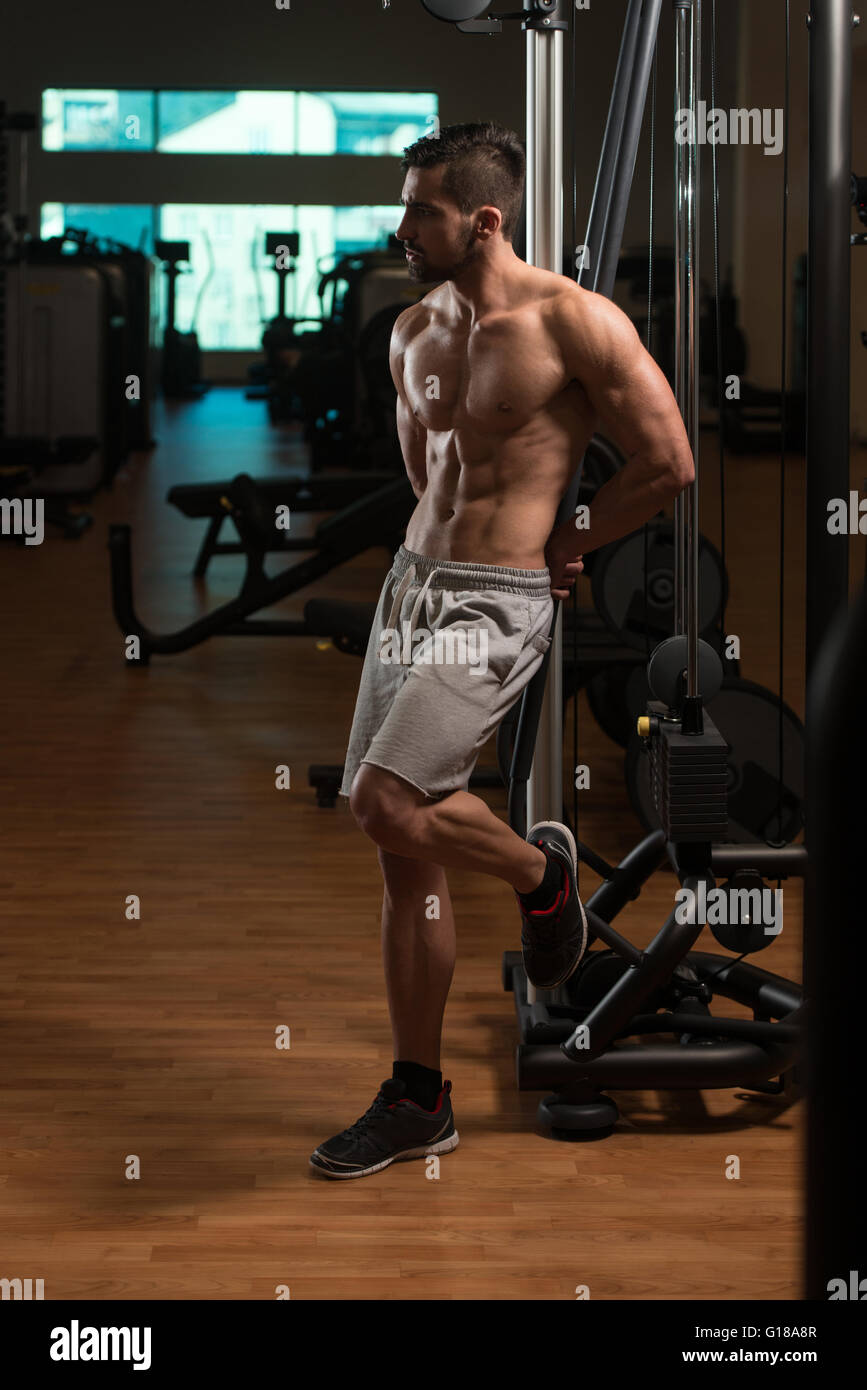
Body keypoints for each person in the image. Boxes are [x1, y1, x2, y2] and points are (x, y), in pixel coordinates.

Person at [309, 122, 694, 1179]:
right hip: (411, 587)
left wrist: (573, 538)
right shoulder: (409, 331)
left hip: (499, 595)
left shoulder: (575, 322)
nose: (401, 228)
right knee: (405, 858)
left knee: (378, 799)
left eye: (421, 211)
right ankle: (418, 1097)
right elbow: (426, 476)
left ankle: (542, 878)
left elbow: (668, 460)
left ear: (484, 219)